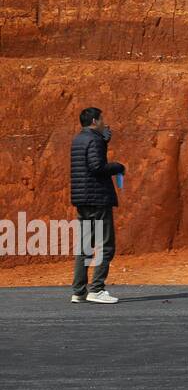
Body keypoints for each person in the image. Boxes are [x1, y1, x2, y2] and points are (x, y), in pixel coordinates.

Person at [70, 107, 125, 304]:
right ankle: (97, 289)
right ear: (94, 120)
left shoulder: (78, 139)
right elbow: (96, 166)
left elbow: (88, 161)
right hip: (97, 199)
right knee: (106, 246)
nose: (104, 123)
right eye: (102, 119)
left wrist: (103, 141)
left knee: (85, 246)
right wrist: (118, 167)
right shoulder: (95, 140)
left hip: (82, 199)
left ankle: (79, 291)